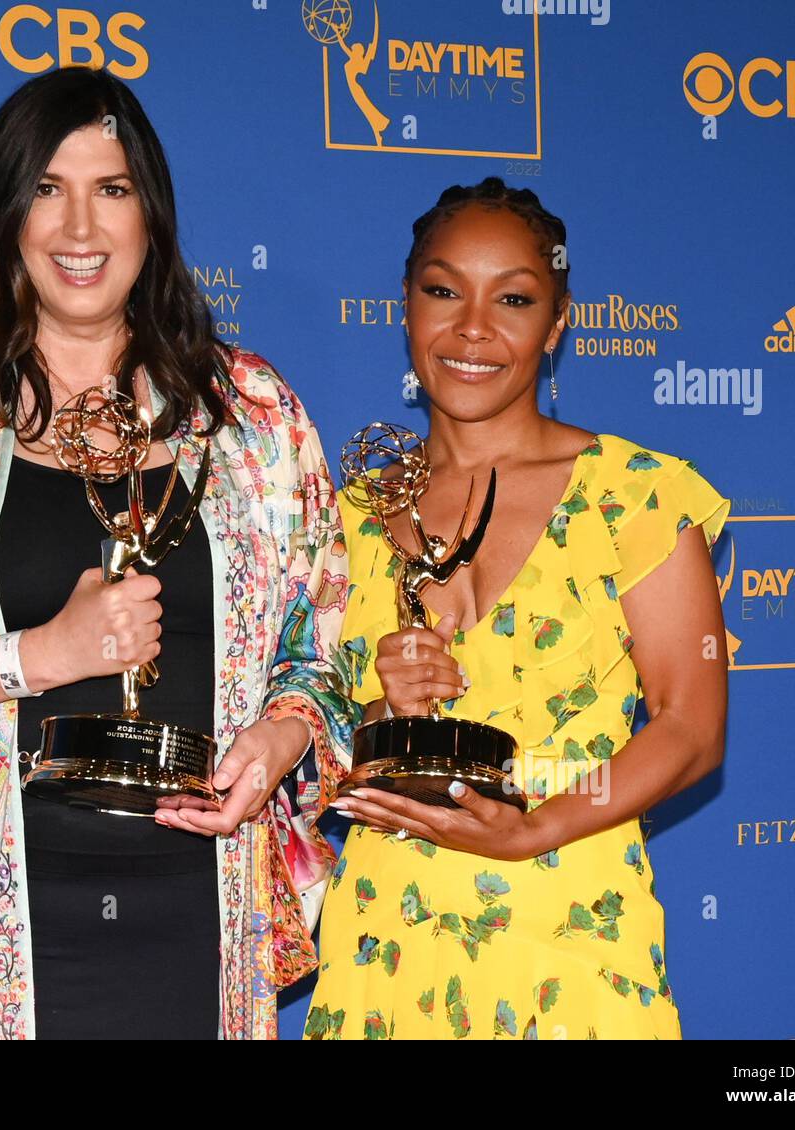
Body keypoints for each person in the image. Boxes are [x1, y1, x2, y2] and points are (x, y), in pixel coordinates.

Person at [0, 66, 354, 1041]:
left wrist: (281, 740)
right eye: (48, 189)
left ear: (153, 215)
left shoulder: (255, 420)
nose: (80, 228)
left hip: (200, 914)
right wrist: (35, 655)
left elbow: (324, 644)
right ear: (6, 215)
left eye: (112, 189)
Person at [304, 178, 730, 1040]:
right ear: (406, 306)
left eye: (514, 299)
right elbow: (327, 740)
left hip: (570, 935)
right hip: (389, 939)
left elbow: (690, 728)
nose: (472, 328)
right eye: (442, 290)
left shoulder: (635, 495)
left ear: (559, 321)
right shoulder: (344, 515)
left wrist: (536, 828)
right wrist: (390, 706)